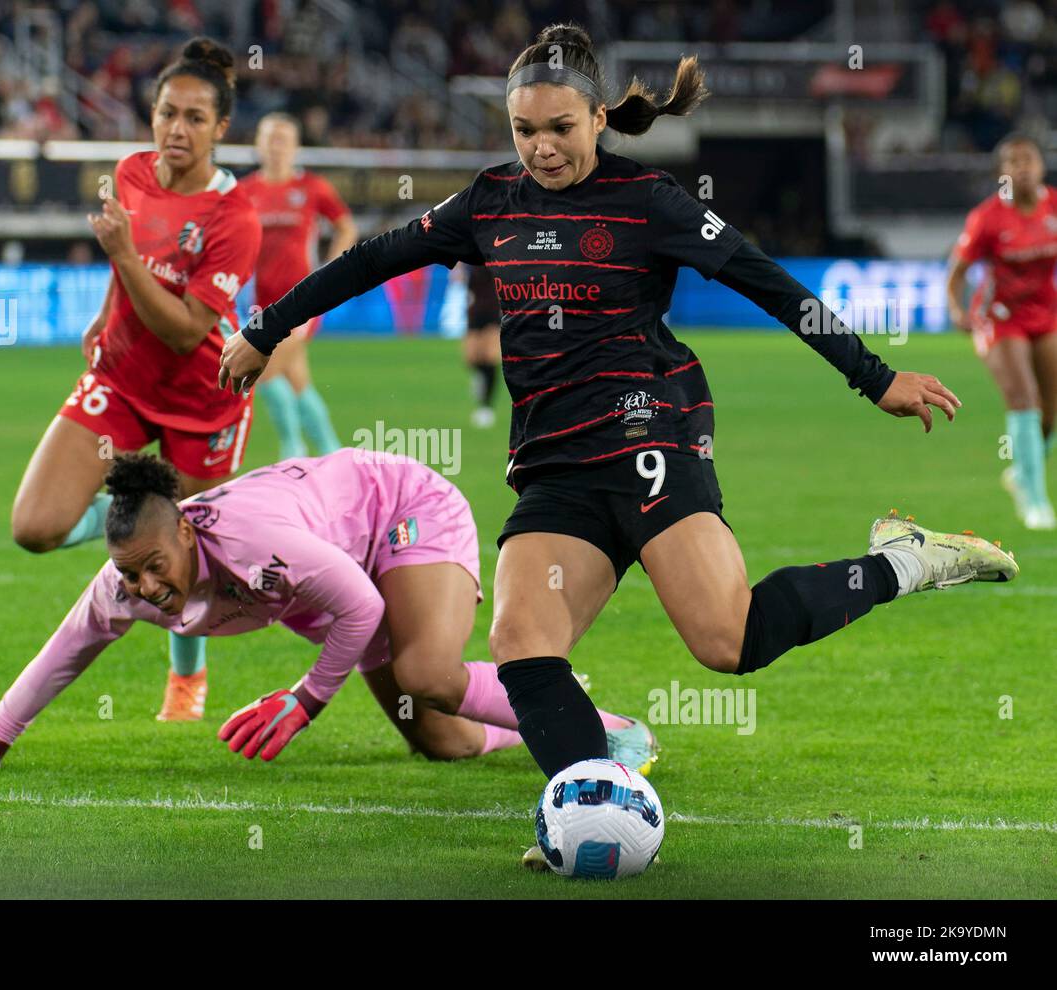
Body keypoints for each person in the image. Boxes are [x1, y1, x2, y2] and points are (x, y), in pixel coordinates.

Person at [219, 22, 1019, 792]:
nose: (541, 147)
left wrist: (873, 377)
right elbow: (372, 259)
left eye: (561, 127)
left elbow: (766, 281)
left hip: (650, 434)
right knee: (523, 645)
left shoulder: (649, 200)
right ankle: (589, 798)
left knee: (725, 642)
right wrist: (267, 327)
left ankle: (905, 562)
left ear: (600, 118)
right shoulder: (489, 204)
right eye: (524, 129)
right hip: (553, 462)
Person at [0, 450, 657, 771]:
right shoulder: (128, 578)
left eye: (151, 570)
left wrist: (305, 701)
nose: (143, 589)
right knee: (443, 742)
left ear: (186, 529)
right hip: (338, 567)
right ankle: (551, 715)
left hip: (403, 511)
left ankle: (608, 734)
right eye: (128, 577)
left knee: (427, 669)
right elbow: (63, 652)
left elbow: (361, 605)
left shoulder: (248, 539)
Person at [9, 38, 262, 723]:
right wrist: (102, 312)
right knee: (34, 526)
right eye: (166, 113)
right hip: (121, 379)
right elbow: (128, 263)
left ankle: (187, 680)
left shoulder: (234, 217)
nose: (177, 129)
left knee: (186, 555)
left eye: (194, 118)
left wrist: (122, 254)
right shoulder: (130, 172)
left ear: (220, 129)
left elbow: (185, 329)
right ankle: (126, 511)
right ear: (150, 115)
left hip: (202, 396)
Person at [946, 133, 1057, 530]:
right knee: (1023, 398)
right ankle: (1035, 500)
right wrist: (957, 309)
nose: (1022, 167)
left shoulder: (1054, 206)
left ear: (1041, 166)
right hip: (999, 315)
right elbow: (956, 273)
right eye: (1012, 162)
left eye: (1028, 159)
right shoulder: (988, 218)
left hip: (1045, 314)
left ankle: (1020, 471)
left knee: (1051, 411)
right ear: (1002, 174)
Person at [237, 113, 358, 460]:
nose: (276, 147)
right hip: (259, 304)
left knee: (263, 369)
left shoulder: (311, 188)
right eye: (270, 139)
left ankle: (292, 450)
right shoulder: (245, 192)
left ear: (295, 147)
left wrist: (332, 270)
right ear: (258, 145)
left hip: (304, 300)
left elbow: (346, 227)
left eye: (283, 140)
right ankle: (331, 452)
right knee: (295, 377)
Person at [464, 262, 503, 428]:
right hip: (475, 314)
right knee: (471, 357)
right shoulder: (473, 266)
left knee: (490, 358)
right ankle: (479, 380)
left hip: (493, 314)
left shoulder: (498, 263)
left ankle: (486, 407)